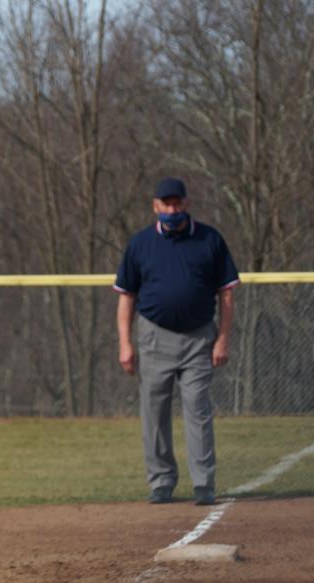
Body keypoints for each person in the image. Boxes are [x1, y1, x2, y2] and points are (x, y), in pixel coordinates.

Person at [114, 177, 239, 506]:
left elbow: (226, 294)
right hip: (154, 336)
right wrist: (125, 344)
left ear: (186, 203)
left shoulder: (209, 239)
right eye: (165, 204)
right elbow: (126, 296)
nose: (172, 209)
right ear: (155, 206)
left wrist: (222, 339)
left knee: (197, 409)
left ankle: (203, 483)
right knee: (154, 412)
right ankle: (161, 481)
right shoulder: (140, 244)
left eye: (176, 203)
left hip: (199, 336)